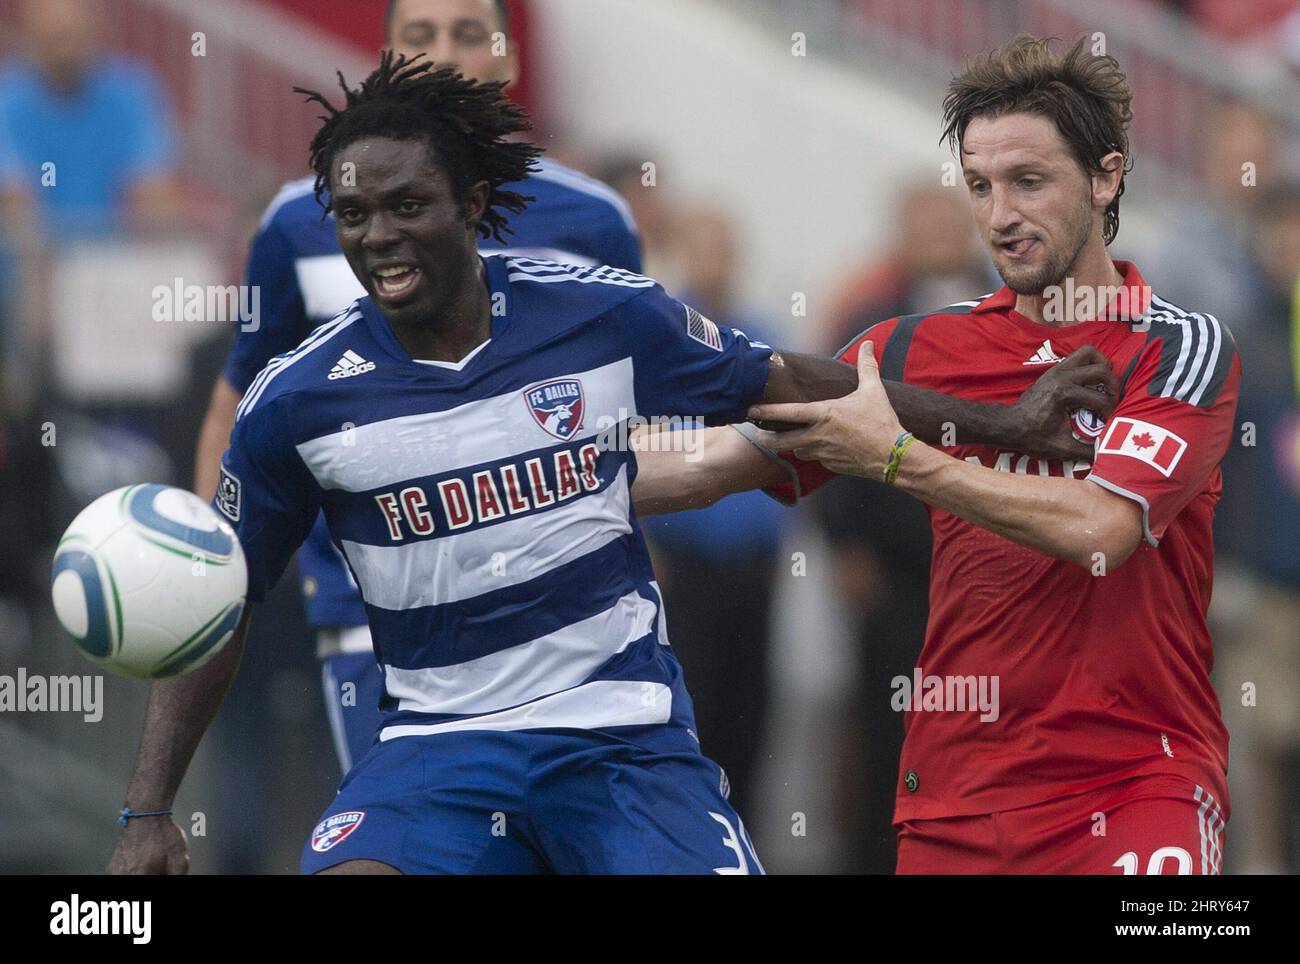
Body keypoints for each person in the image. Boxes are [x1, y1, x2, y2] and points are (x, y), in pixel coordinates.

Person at [108, 54, 1102, 875]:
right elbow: (221, 598)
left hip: (622, 738)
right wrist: (146, 810)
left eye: (406, 205)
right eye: (353, 215)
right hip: (434, 756)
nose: (377, 237)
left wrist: (1009, 422)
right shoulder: (299, 398)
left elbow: (806, 386)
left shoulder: (601, 312)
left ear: (474, 201)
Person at [740, 35, 1240, 874]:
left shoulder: (1179, 346)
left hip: (1138, 784)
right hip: (957, 803)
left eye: (1028, 181)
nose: (999, 214)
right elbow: (731, 457)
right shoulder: (911, 347)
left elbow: (1102, 528)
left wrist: (898, 456)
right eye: (979, 185)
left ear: (1107, 176)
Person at [191, 0, 643, 774]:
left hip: (568, 629)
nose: (443, 53)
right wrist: (203, 569)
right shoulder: (299, 222)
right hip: (380, 629)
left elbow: (636, 416)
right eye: (420, 35)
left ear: (509, 60)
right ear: (387, 58)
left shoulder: (595, 221)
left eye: (468, 34)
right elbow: (237, 401)